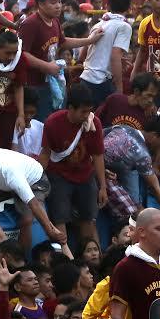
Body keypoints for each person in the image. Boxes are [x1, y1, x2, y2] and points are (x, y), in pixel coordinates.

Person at [40, 83, 106, 248]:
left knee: (88, 218)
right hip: (59, 176)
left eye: (89, 111)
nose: (87, 115)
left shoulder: (94, 124)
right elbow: (46, 153)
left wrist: (103, 186)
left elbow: (98, 155)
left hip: (85, 175)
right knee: (60, 217)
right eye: (83, 111)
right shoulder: (52, 123)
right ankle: (65, 257)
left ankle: (89, 258)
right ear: (70, 108)